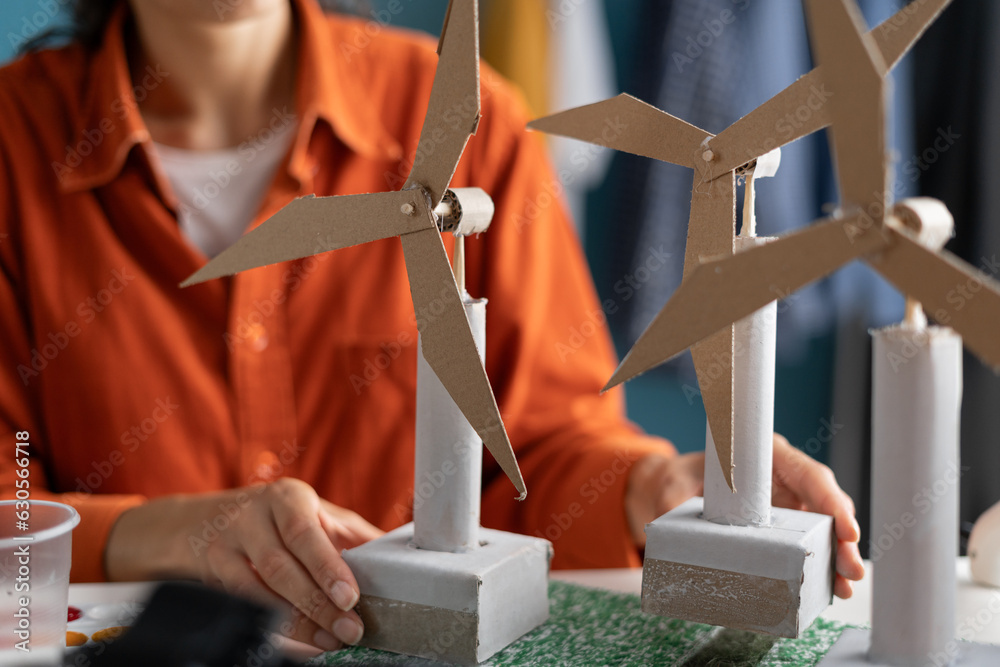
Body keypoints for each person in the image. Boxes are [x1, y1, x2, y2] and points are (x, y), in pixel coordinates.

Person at [0, 0, 864, 652]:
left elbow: (547, 448)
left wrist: (655, 490)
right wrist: (172, 534)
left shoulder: (472, 124)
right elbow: (12, 500)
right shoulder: (12, 145)